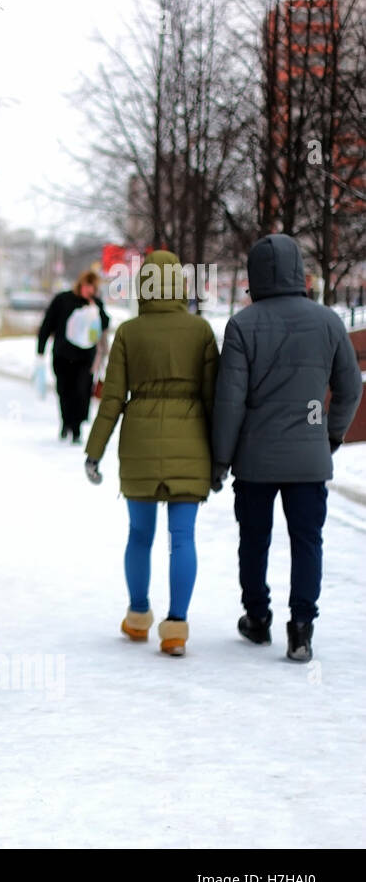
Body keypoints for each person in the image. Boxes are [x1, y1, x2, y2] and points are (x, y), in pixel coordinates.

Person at [212, 233, 363, 662]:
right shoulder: (329, 322)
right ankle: (301, 629)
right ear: (299, 271)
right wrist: (331, 435)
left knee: (254, 539)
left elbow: (229, 401)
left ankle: (257, 618)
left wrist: (221, 460)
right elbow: (350, 389)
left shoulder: (242, 325)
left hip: (255, 460)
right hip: (309, 458)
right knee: (307, 541)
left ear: (255, 275)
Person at [84, 250, 218, 657]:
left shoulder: (129, 333)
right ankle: (176, 628)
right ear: (180, 284)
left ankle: (138, 616)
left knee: (139, 535)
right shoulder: (201, 332)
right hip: (191, 442)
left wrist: (94, 452)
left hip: (139, 441)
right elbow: (215, 401)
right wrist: (222, 456)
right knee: (183, 538)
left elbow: (111, 399)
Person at [38, 271, 110, 444]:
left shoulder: (96, 303)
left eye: (93, 288)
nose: (89, 290)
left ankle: (76, 428)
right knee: (64, 390)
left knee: (82, 391)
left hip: (85, 357)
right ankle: (66, 422)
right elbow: (48, 323)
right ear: (80, 285)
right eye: (87, 286)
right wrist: (40, 349)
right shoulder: (63, 300)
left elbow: (104, 325)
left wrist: (95, 309)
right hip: (63, 355)